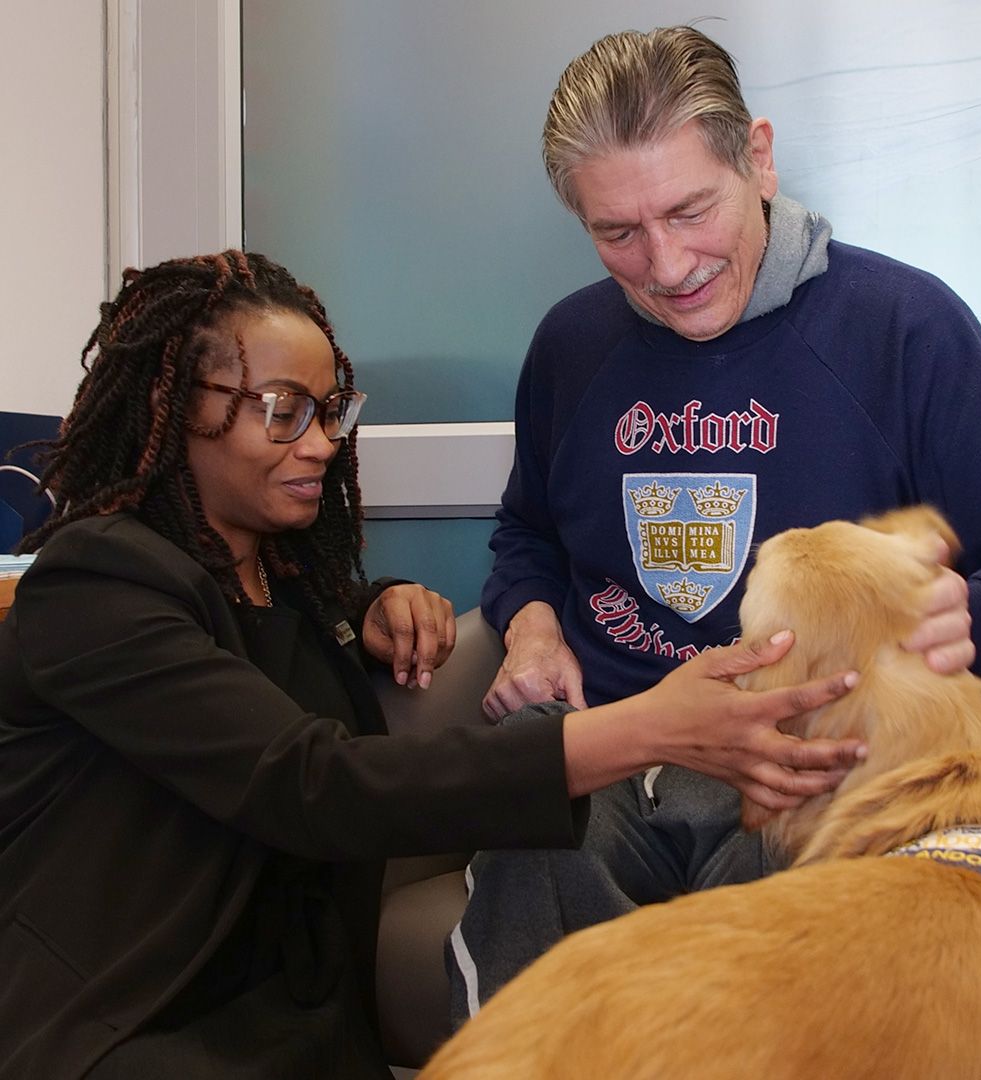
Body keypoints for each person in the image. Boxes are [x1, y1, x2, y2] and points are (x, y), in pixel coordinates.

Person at [0, 250, 871, 1079]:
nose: (320, 443)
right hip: (132, 1020)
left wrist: (374, 603)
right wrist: (638, 731)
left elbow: (265, 641)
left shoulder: (283, 580)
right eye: (281, 410)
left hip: (295, 1023)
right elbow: (310, 782)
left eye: (331, 409)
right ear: (177, 406)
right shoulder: (97, 584)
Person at [448, 26, 981, 1023]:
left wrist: (980, 613)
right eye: (618, 233)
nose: (666, 265)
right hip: (616, 748)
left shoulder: (904, 326)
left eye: (692, 210)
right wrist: (528, 619)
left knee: (767, 965)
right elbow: (526, 533)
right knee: (528, 851)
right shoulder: (571, 347)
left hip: (813, 765)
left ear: (761, 158)